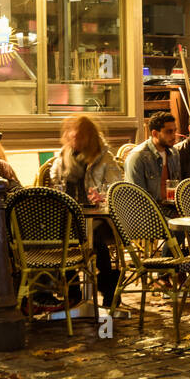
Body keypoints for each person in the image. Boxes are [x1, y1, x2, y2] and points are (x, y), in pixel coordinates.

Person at [48, 115, 123, 307]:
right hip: (69, 217)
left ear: (88, 137)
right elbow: (55, 186)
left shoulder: (104, 157)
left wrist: (102, 195)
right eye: (71, 136)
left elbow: (117, 187)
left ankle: (106, 285)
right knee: (62, 238)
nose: (73, 140)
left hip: (101, 217)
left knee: (93, 236)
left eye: (78, 136)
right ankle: (74, 291)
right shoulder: (62, 158)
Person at [125, 110, 181, 201]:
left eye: (174, 131)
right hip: (148, 211)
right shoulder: (138, 157)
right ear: (155, 133)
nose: (174, 136)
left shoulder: (174, 153)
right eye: (169, 132)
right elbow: (135, 196)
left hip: (172, 208)